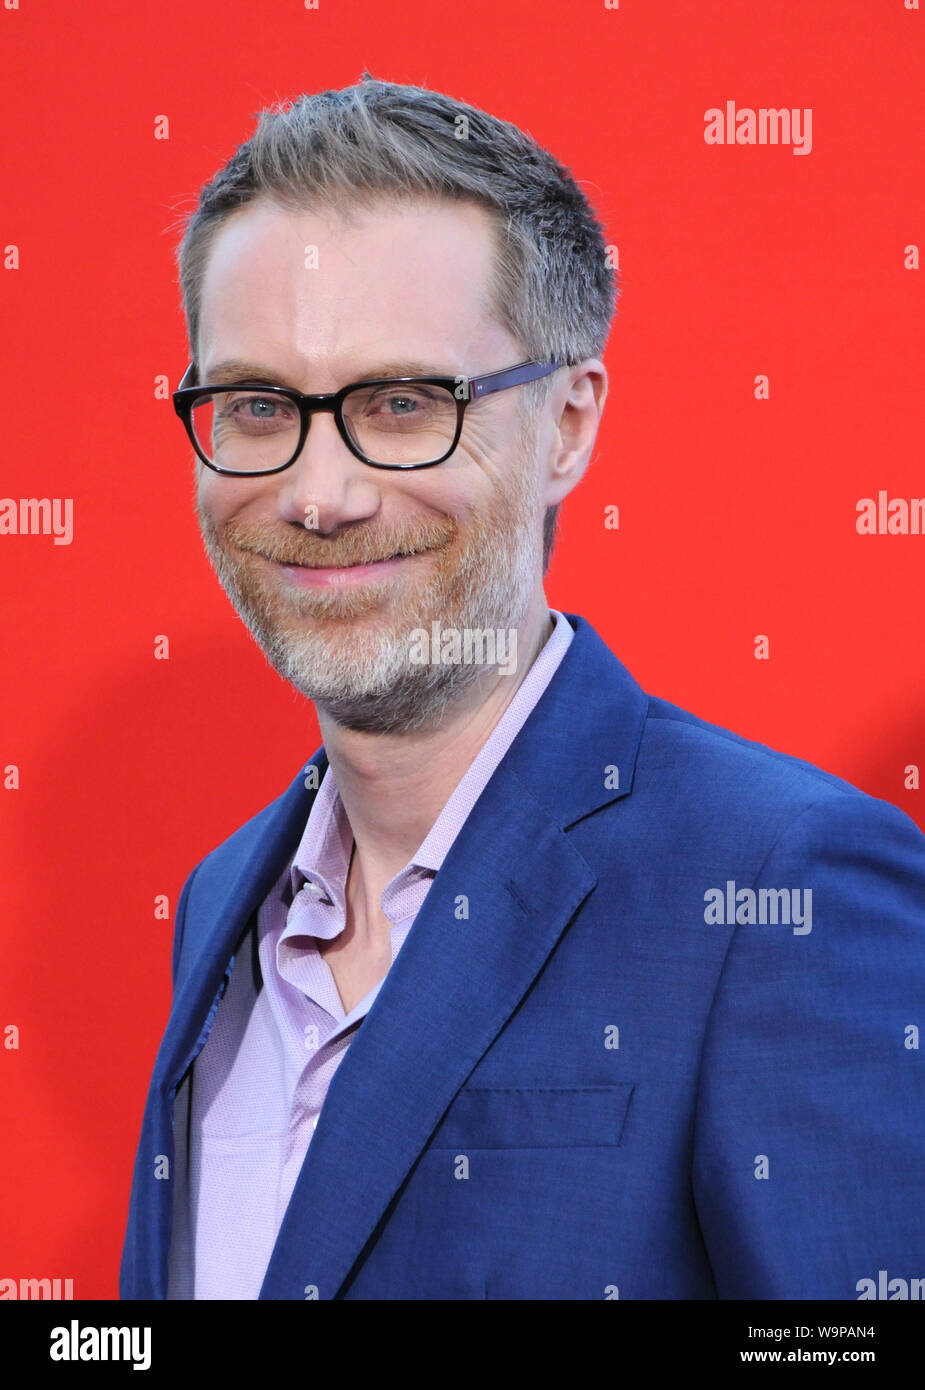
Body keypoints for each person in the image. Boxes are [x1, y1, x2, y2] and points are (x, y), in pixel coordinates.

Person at [120, 74, 925, 1301]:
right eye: (257, 405)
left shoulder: (776, 885)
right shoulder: (223, 901)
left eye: (402, 406)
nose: (318, 493)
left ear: (565, 423)